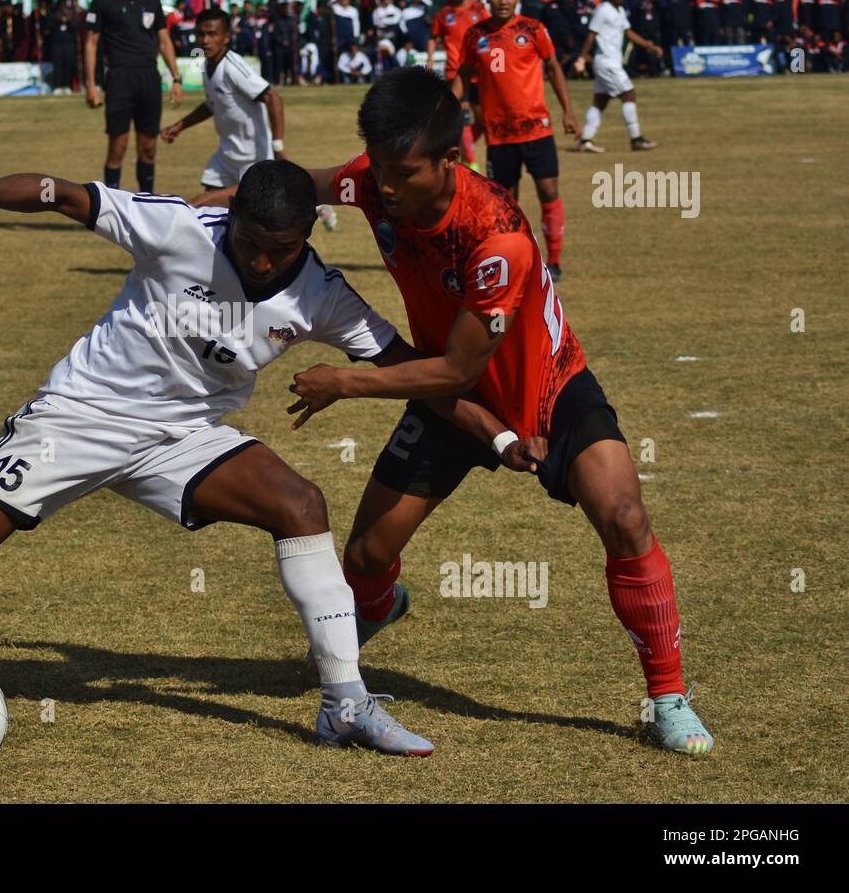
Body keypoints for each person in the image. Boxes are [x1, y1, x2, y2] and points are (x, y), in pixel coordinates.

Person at [0, 160, 528, 756]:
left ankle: (344, 701)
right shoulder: (180, 228)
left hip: (182, 436)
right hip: (78, 418)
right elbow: (66, 195)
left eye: (279, 250)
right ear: (233, 226)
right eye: (250, 245)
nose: (261, 263)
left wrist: (495, 434)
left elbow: (408, 367)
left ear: (306, 238)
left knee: (301, 504)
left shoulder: (321, 294)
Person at [271, 68, 714, 756]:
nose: (384, 185)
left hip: (544, 386)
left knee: (625, 516)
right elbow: (303, 187)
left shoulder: (496, 233)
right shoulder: (376, 179)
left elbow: (458, 367)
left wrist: (347, 381)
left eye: (402, 170)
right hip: (453, 401)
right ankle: (382, 607)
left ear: (451, 158)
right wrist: (201, 209)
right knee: (365, 555)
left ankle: (667, 697)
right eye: (379, 166)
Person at [450, 0, 577, 282]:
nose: (502, 1)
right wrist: (448, 110)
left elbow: (553, 67)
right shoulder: (476, 35)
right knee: (506, 205)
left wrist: (568, 111)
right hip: (499, 135)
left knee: (548, 190)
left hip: (537, 130)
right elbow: (464, 74)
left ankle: (555, 260)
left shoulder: (533, 29)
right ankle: (517, 259)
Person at [84, 0, 184, 194]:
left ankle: (146, 202)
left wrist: (176, 78)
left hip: (149, 77)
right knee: (118, 145)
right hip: (119, 77)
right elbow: (91, 44)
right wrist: (91, 86)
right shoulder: (102, 1)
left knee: (148, 147)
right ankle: (109, 208)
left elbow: (163, 40)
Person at [160, 7, 286, 193]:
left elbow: (273, 97)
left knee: (259, 214)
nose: (205, 40)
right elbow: (212, 104)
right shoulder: (206, 65)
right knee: (211, 202)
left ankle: (316, 205)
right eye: (201, 34)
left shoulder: (232, 67)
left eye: (212, 34)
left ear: (226, 38)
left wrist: (277, 146)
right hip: (227, 155)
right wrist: (179, 126)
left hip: (253, 156)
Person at [575, 0, 661, 153]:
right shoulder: (603, 10)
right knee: (629, 95)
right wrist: (582, 58)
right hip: (607, 62)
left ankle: (585, 140)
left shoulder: (620, 10)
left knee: (600, 101)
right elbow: (591, 35)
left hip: (610, 62)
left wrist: (650, 46)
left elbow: (629, 33)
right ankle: (636, 139)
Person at [429, 0, 489, 169]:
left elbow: (490, 35)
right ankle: (471, 162)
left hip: (479, 72)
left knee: (482, 121)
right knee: (462, 117)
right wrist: (429, 59)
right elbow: (433, 37)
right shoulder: (444, 13)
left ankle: (465, 149)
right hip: (455, 72)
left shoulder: (480, 10)